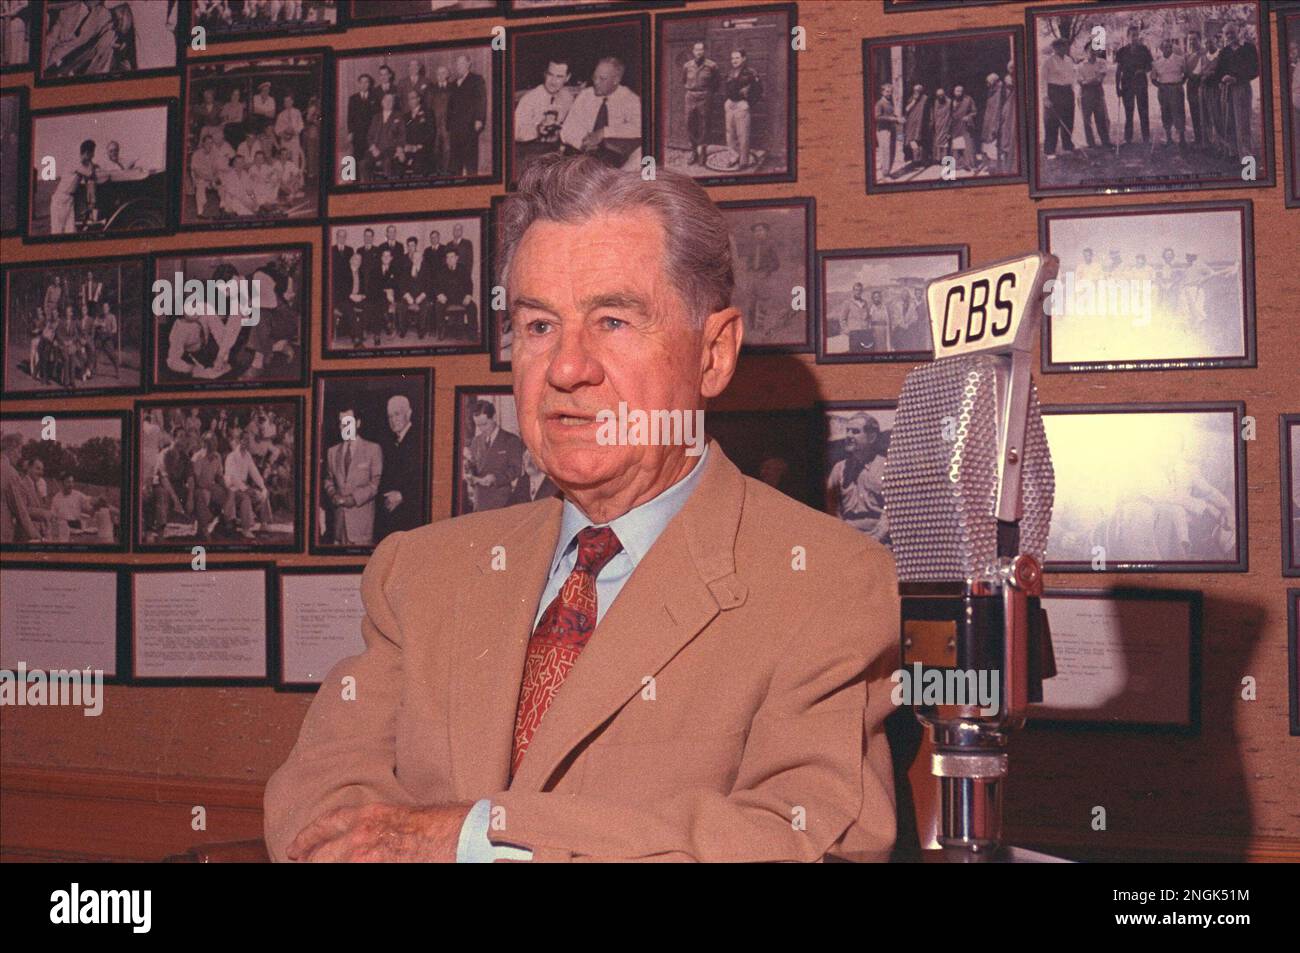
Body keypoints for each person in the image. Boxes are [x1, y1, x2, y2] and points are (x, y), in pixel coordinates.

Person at [264, 154, 899, 863]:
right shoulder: (419, 570)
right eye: (539, 326)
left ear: (713, 354)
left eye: (613, 321)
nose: (566, 368)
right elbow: (316, 802)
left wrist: (476, 839)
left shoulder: (824, 584)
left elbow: (803, 841)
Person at [560, 56, 641, 170]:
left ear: (616, 80)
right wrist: (583, 144)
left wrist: (603, 132)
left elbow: (640, 127)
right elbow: (568, 128)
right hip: (582, 154)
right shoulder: (585, 95)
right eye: (594, 77)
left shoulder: (630, 99)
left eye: (602, 78)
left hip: (614, 160)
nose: (596, 82)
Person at [826, 413, 889, 543]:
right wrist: (842, 536)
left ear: (871, 437)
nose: (849, 435)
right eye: (847, 431)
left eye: (855, 432)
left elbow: (892, 511)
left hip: (879, 540)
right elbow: (831, 507)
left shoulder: (887, 468)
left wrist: (876, 538)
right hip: (846, 538)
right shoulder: (839, 469)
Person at [325, 407, 381, 546]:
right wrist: (333, 495)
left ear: (358, 423)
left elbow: (375, 485)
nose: (343, 427)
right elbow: (328, 481)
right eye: (341, 423)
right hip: (339, 526)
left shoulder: (373, 449)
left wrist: (354, 499)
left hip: (361, 528)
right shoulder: (332, 452)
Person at [375, 395, 423, 541]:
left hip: (412, 519)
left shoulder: (420, 439)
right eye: (390, 416)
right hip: (394, 518)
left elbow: (424, 478)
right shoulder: (391, 441)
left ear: (409, 413)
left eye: (397, 414)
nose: (393, 420)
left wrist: (403, 495)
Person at [463, 399, 522, 512]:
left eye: (485, 424)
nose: (482, 429)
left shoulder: (511, 440)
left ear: (494, 417)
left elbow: (516, 470)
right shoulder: (476, 441)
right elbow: (474, 467)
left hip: (501, 502)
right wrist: (469, 473)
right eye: (478, 425)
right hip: (479, 502)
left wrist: (495, 478)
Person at [1214, 22, 1259, 162]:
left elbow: (1255, 70)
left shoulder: (1248, 48)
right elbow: (1218, 71)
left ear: (1238, 32)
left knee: (1242, 122)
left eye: (1232, 32)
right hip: (1226, 89)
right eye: (1226, 33)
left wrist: (1237, 78)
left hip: (1242, 87)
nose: (1229, 36)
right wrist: (1222, 79)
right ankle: (1232, 152)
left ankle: (1245, 155)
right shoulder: (1224, 51)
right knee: (1229, 121)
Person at [223, 425, 274, 540]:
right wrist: (246, 489)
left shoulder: (247, 455)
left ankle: (264, 523)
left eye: (248, 440)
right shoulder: (231, 457)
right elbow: (233, 478)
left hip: (244, 487)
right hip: (232, 490)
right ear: (239, 440)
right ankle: (245, 528)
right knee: (245, 498)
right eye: (244, 439)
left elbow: (254, 472)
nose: (247, 442)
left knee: (263, 493)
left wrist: (263, 487)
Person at [514, 59, 575, 148]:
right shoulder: (529, 99)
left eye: (559, 77)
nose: (553, 81)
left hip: (557, 150)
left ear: (567, 77)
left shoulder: (568, 97)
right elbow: (514, 132)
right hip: (531, 149)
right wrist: (537, 130)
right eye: (550, 74)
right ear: (545, 74)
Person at [50, 139, 106, 234]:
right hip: (61, 199)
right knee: (58, 230)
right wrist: (92, 163)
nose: (93, 156)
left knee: (70, 229)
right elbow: (90, 174)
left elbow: (89, 179)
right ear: (87, 152)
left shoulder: (82, 164)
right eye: (92, 153)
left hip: (70, 199)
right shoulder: (75, 162)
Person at [447, 53, 486, 176]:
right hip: (455, 128)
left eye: (462, 63)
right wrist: (448, 124)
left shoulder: (477, 79)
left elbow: (481, 100)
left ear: (469, 64)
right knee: (455, 161)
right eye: (458, 64)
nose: (459, 66)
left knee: (470, 161)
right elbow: (450, 106)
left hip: (470, 126)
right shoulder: (453, 83)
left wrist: (479, 119)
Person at [682, 42, 719, 166]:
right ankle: (694, 151)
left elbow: (716, 83)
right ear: (693, 51)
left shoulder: (712, 66)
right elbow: (683, 80)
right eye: (696, 50)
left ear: (704, 51)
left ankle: (702, 152)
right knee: (689, 123)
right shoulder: (687, 66)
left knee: (704, 124)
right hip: (690, 96)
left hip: (705, 96)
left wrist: (707, 93)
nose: (699, 52)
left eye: (701, 49)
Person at [722, 49, 759, 171]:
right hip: (730, 104)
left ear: (743, 58)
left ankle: (743, 161)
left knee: (743, 134)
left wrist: (748, 103)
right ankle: (734, 157)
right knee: (730, 133)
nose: (734, 61)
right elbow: (725, 88)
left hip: (741, 105)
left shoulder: (751, 73)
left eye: (737, 58)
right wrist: (727, 101)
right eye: (732, 58)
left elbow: (758, 90)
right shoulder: (729, 72)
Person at [1116, 25, 1153, 145]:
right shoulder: (1122, 51)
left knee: (1143, 111)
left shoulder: (1144, 49)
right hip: (1127, 85)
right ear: (1128, 36)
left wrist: (1142, 70)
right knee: (1129, 112)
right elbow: (1118, 70)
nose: (1135, 38)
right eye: (1133, 35)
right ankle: (1128, 138)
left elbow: (1150, 66)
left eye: (1137, 35)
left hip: (1141, 84)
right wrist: (1117, 87)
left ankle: (1146, 137)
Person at [1, 432, 38, 543]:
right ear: (11, 448)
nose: (20, 456)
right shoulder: (10, 472)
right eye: (19, 451)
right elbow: (20, 511)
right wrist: (36, 536)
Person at [1042, 38, 1076, 158]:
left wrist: (1072, 91)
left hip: (1067, 91)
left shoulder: (1069, 60)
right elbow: (1043, 80)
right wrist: (1045, 97)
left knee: (1068, 119)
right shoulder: (1048, 61)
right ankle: (1050, 150)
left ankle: (1067, 146)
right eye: (1060, 47)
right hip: (1054, 92)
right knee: (1052, 122)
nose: (1063, 49)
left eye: (1065, 46)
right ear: (1055, 48)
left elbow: (1072, 77)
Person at [1152, 38, 1187, 148]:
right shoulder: (1157, 62)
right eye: (1165, 47)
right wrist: (1160, 86)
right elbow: (1153, 78)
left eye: (1170, 47)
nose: (1168, 49)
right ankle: (1169, 138)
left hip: (1176, 88)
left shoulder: (1180, 59)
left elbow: (1185, 73)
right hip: (1163, 89)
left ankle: (1182, 138)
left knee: (1179, 112)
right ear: (1161, 49)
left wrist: (1180, 83)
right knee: (1165, 113)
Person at [1076, 48, 1111, 148]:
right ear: (1086, 52)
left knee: (1102, 117)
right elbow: (1081, 82)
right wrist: (1093, 79)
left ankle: (1105, 141)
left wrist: (1088, 80)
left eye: (1095, 50)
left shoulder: (1101, 63)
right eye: (1090, 51)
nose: (1093, 53)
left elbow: (1100, 79)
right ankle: (1090, 143)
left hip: (1098, 92)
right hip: (1085, 94)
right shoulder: (1080, 66)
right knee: (1086, 120)